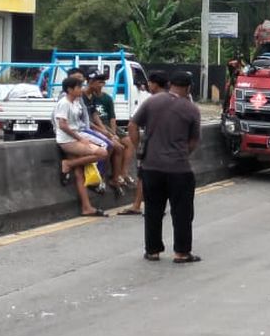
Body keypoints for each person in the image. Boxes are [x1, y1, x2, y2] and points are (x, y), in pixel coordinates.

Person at [130, 70, 202, 263]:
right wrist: (182, 154)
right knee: (182, 213)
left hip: (151, 167)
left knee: (153, 209)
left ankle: (152, 251)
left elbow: (132, 125)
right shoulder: (191, 109)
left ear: (170, 84)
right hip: (179, 169)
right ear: (188, 88)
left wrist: (139, 148)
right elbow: (194, 140)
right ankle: (181, 252)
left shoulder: (152, 102)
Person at [53, 76, 109, 217]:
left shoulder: (77, 102)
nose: (81, 89)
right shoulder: (64, 103)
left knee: (79, 173)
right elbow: (62, 125)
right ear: (70, 89)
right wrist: (81, 139)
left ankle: (86, 207)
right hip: (68, 141)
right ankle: (68, 163)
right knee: (102, 153)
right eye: (78, 87)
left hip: (76, 137)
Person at [120, 71, 170, 216]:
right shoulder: (176, 100)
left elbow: (132, 125)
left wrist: (137, 146)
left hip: (152, 143)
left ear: (154, 84)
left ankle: (139, 205)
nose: (148, 85)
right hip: (170, 144)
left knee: (145, 175)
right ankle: (155, 205)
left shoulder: (149, 101)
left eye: (149, 82)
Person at [83, 71, 131, 193]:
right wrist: (106, 133)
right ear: (91, 82)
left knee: (121, 145)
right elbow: (88, 122)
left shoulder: (94, 97)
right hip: (86, 129)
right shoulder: (83, 96)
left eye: (103, 82)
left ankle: (118, 176)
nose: (102, 84)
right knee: (112, 146)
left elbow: (95, 116)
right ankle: (101, 177)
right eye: (99, 82)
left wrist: (110, 132)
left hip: (100, 126)